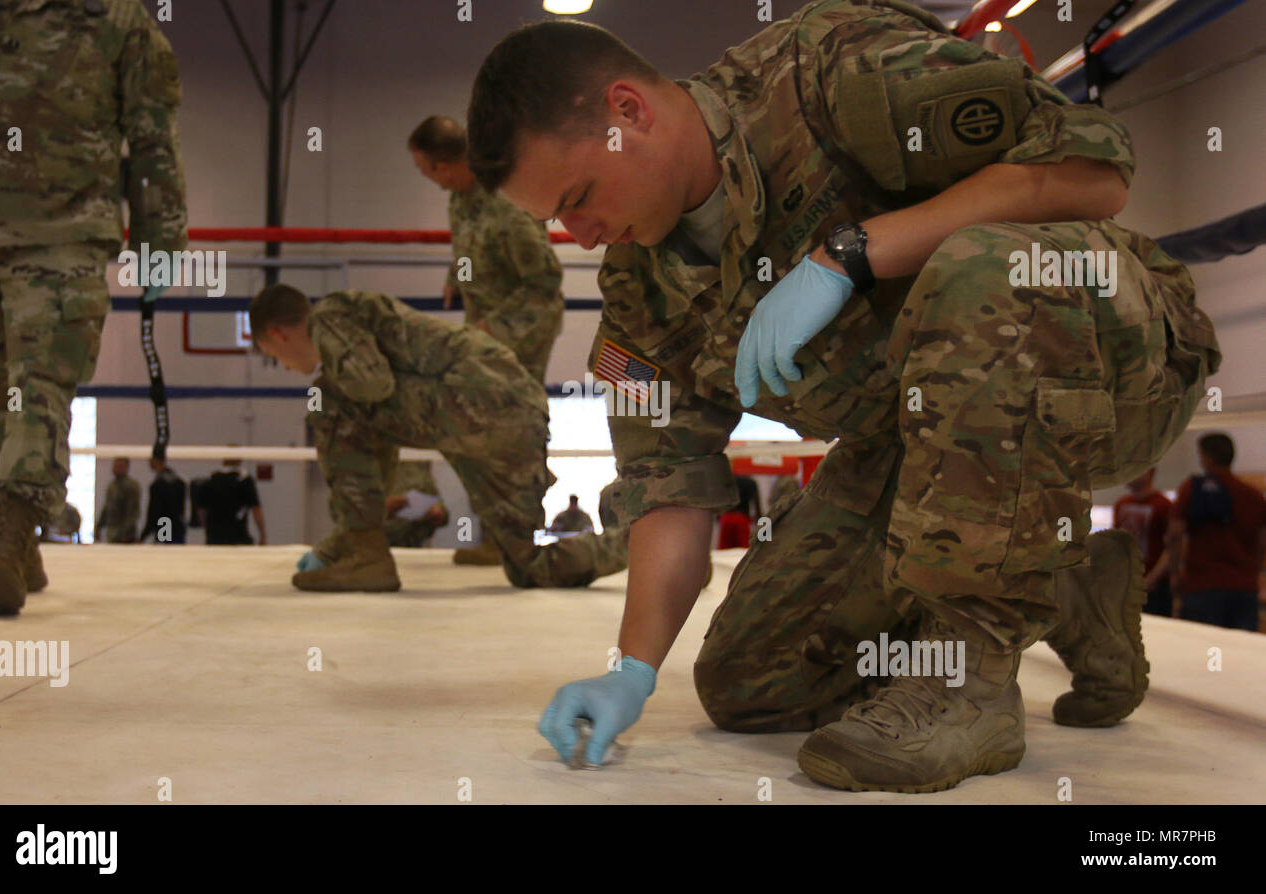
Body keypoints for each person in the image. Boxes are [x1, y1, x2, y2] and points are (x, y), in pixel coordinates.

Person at [469, 5, 1220, 791]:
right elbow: (670, 491)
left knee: (981, 270)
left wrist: (854, 254)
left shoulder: (828, 69)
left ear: (629, 111)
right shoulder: (635, 303)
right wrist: (629, 671)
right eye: (557, 220)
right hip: (924, 447)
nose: (580, 234)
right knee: (751, 682)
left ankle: (970, 681)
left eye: (579, 196)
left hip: (1115, 364)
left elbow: (1094, 173)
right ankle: (1062, 579)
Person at [0, 0, 186, 614]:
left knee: (38, 389)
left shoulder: (113, 19)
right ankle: (16, 535)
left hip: (62, 233)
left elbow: (151, 137)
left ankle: (9, 541)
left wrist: (160, 239)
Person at [250, 284, 628, 592]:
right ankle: (640, 541)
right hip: (514, 414)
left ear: (277, 334)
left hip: (474, 408)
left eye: (274, 355)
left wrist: (352, 532)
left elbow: (372, 386)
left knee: (329, 400)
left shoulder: (328, 317)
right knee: (531, 567)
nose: (285, 365)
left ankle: (366, 553)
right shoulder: (352, 315)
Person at [410, 115, 565, 383]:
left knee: (518, 416)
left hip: (522, 331)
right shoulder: (461, 196)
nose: (427, 178)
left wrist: (493, 328)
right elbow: (467, 245)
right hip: (483, 330)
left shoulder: (507, 205)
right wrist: (456, 276)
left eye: (425, 169)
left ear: (444, 167)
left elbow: (545, 282)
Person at [1167, 433, 1266, 631]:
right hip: (1243, 587)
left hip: (1202, 584)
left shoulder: (1193, 489)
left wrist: (1175, 572)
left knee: (1202, 651)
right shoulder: (1253, 496)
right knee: (1240, 651)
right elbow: (1262, 542)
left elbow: (1175, 534)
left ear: (1207, 457)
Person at [1113, 468, 1173, 616]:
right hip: (1127, 584)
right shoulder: (1121, 504)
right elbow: (1115, 545)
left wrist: (1151, 579)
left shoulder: (1163, 505)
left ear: (1149, 472)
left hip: (1153, 586)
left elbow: (1171, 548)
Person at [200, 458, 267, 546]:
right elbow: (256, 509)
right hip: (238, 537)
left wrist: (207, 530)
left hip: (215, 537)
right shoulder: (245, 480)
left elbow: (201, 510)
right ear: (240, 461)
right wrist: (262, 535)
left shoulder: (210, 480)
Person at [383, 460, 450, 548]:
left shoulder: (413, 464)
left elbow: (439, 512)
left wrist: (437, 512)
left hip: (408, 547)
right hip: (380, 543)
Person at [140, 451, 188, 544]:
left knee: (164, 555)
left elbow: (154, 511)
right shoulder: (179, 482)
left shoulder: (158, 485)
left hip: (164, 526)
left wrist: (144, 535)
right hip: (177, 528)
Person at [95, 458, 141, 544]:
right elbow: (107, 508)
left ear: (126, 468)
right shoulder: (112, 486)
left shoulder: (132, 486)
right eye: (115, 466)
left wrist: (125, 533)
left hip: (126, 536)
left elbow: (133, 513)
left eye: (120, 466)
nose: (116, 468)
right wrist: (98, 526)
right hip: (112, 533)